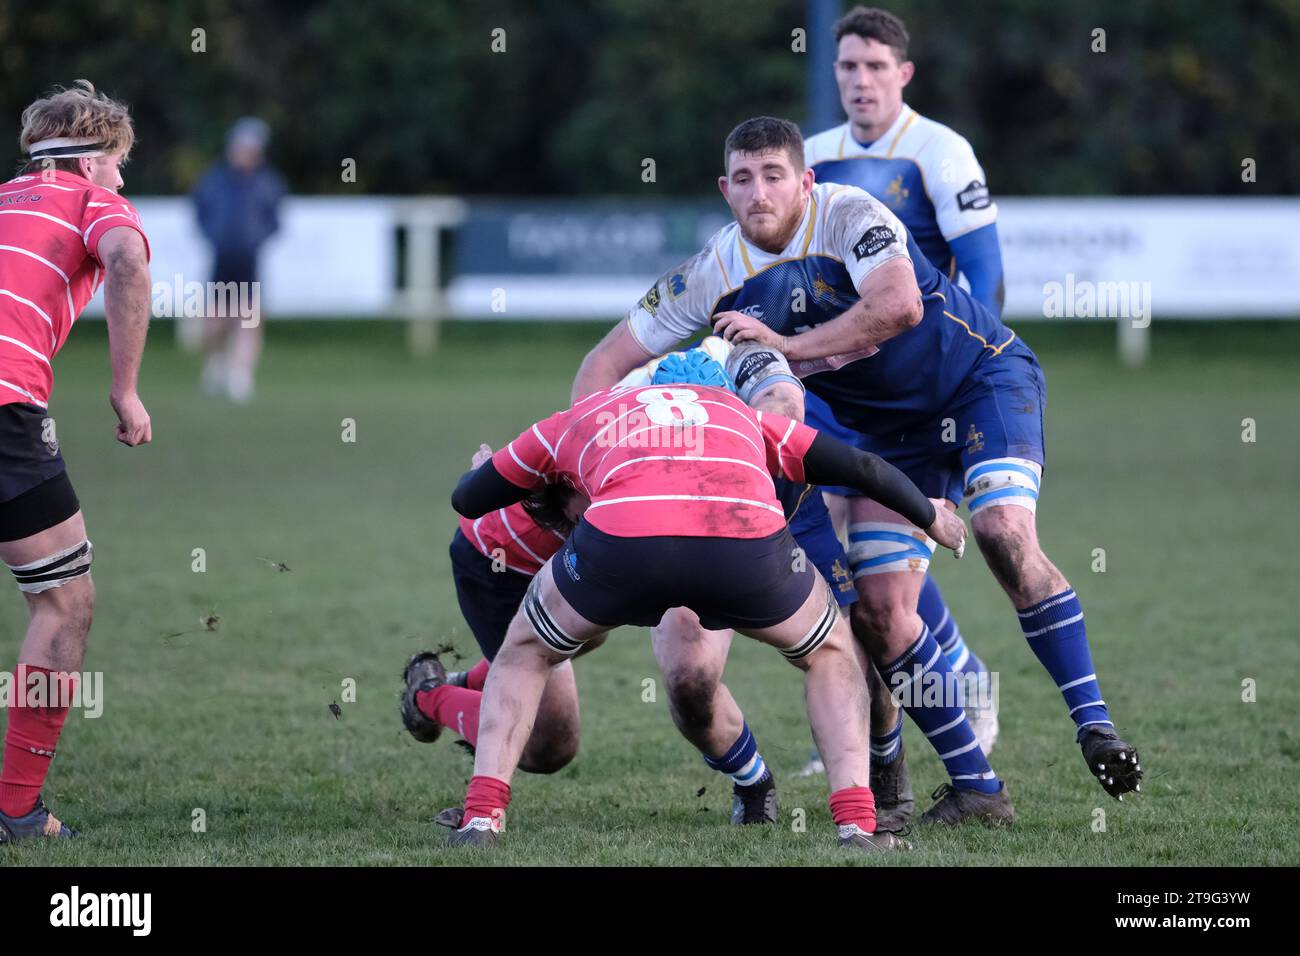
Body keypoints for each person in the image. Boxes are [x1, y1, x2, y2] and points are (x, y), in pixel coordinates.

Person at [571, 116, 1143, 824]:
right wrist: (582, 461)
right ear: (725, 190)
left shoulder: (850, 215)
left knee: (1001, 531)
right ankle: (978, 790)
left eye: (775, 175)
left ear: (805, 181)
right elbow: (605, 362)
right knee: (878, 615)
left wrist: (787, 343)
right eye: (743, 179)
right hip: (885, 435)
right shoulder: (710, 275)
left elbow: (898, 307)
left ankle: (1094, 724)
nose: (759, 193)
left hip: (979, 381)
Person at [444, 377, 965, 849]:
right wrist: (930, 516)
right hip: (744, 542)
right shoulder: (738, 413)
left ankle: (481, 820)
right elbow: (861, 465)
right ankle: (857, 827)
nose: (566, 527)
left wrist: (482, 471)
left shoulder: (571, 422)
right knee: (830, 652)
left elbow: (467, 500)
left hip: (623, 546)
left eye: (566, 519)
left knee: (526, 649)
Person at [406, 340, 828, 827]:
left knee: (690, 676)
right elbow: (520, 476)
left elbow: (788, 410)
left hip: (617, 559)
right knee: (549, 743)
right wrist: (491, 477)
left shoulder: (737, 394)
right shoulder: (619, 423)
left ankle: (754, 782)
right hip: (503, 562)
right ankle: (429, 698)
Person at [795, 3, 1009, 807]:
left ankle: (950, 690)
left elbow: (984, 278)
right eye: (847, 66)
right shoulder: (811, 158)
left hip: (922, 394)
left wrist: (958, 384)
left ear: (903, 74)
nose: (858, 80)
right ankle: (895, 714)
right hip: (838, 387)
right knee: (848, 555)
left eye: (874, 67)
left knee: (891, 543)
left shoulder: (940, 152)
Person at [0, 81, 152, 842]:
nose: (124, 181)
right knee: (64, 603)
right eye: (120, 165)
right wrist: (124, 391)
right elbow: (127, 261)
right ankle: (18, 812)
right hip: (2, 406)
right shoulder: (92, 203)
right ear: (91, 164)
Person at [192, 117, 284, 403]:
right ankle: (215, 363)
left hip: (249, 261)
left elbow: (274, 220)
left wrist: (255, 239)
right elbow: (200, 213)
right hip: (222, 259)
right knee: (216, 320)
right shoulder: (214, 181)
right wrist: (216, 237)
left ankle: (240, 375)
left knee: (249, 318)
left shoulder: (268, 183)